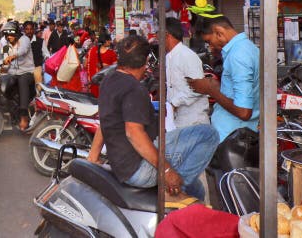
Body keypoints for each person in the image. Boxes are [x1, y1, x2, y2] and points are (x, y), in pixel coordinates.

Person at [86, 35, 219, 201]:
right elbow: (133, 133)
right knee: (209, 134)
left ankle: (184, 193)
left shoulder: (109, 80)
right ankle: (173, 193)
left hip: (123, 165)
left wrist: (93, 156)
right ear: (145, 61)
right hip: (138, 169)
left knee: (197, 190)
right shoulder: (134, 88)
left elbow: (106, 122)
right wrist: (166, 171)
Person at [187, 16, 259, 142]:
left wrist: (211, 90)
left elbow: (244, 112)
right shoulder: (248, 48)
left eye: (209, 41)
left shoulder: (238, 55)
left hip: (231, 138)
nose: (210, 46)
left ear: (219, 32)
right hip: (234, 134)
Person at [162, 18, 210, 129]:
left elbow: (198, 88)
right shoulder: (169, 56)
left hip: (193, 120)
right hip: (179, 119)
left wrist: (174, 103)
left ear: (166, 35)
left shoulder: (187, 56)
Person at [2, 21, 36, 130]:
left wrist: (13, 56)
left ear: (16, 33)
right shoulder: (6, 44)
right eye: (7, 35)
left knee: (22, 80)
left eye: (11, 34)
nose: (9, 37)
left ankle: (24, 116)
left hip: (27, 72)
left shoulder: (24, 40)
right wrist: (2, 64)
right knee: (2, 83)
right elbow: (5, 57)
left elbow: (23, 50)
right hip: (13, 73)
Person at [85, 32, 117, 98]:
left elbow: (85, 64)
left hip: (92, 83)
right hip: (106, 85)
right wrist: (107, 66)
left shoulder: (91, 50)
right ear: (106, 41)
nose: (110, 41)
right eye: (109, 40)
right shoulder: (111, 53)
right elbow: (116, 68)